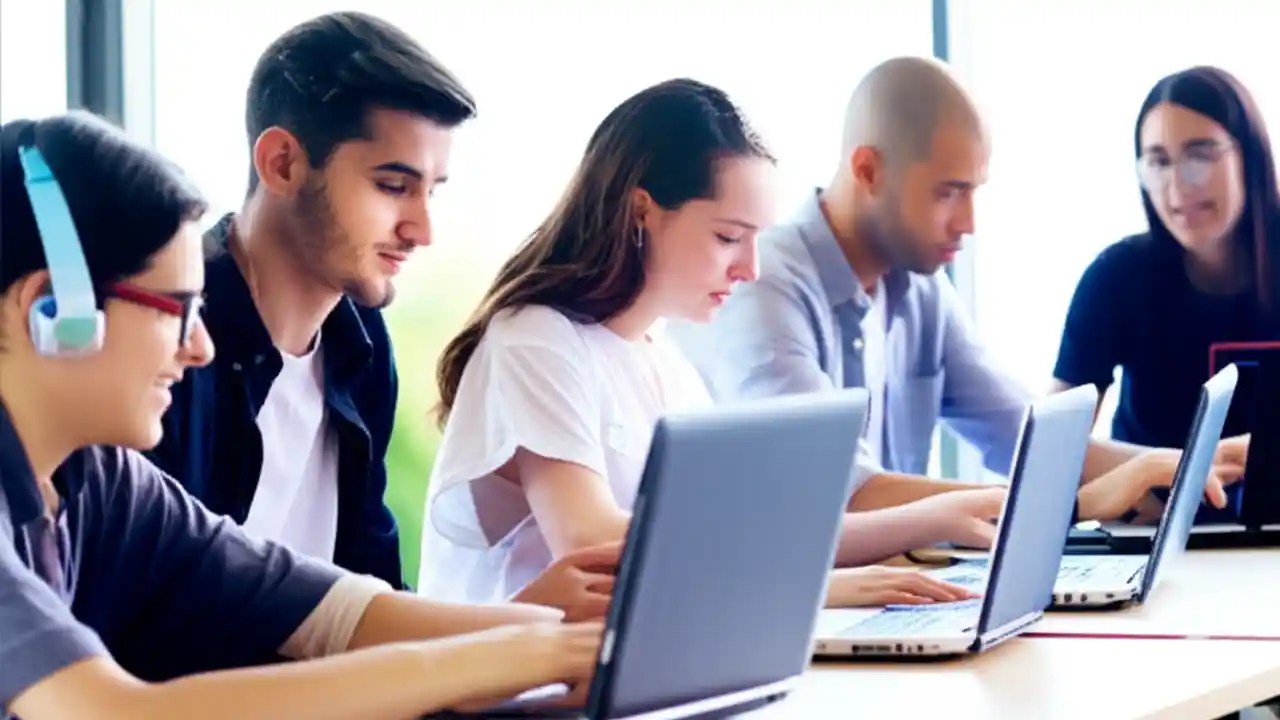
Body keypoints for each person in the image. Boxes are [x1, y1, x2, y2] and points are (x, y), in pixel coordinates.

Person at [0, 111, 604, 720]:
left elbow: (336, 614)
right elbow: (108, 712)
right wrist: (509, 657)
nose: (201, 347)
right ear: (51, 311)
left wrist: (569, 639)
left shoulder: (99, 480)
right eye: (176, 309)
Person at [418, 78, 980, 609]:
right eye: (728, 237)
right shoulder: (536, 340)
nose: (750, 269)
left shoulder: (659, 360)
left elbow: (744, 537)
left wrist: (934, 518)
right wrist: (815, 590)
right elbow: (592, 544)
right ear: (641, 211)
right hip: (520, 697)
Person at [147, 11, 618, 602]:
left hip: (330, 690)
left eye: (433, 190)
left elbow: (372, 594)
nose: (422, 229)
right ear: (282, 164)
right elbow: (162, 621)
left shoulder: (359, 342)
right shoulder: (167, 344)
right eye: (393, 187)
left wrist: (520, 626)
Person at [669, 56, 1247, 526]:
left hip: (900, 596)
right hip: (803, 617)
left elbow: (1028, 442)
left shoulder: (920, 289)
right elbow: (833, 491)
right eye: (948, 192)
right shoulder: (761, 285)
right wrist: (1070, 505)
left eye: (974, 192)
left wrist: (1184, 464)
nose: (968, 223)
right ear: (869, 171)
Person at [1053, 66, 1278, 523]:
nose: (1177, 186)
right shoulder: (1117, 276)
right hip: (1154, 534)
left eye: (1200, 155)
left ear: (1248, 157)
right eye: (1157, 161)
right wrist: (1179, 466)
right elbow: (1053, 445)